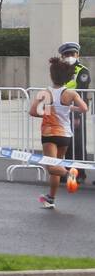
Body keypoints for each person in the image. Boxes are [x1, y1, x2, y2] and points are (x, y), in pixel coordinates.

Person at [29, 58, 89, 209]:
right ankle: (51, 198)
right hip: (65, 134)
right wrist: (70, 109)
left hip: (49, 133)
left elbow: (33, 111)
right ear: (67, 77)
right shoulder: (70, 93)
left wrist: (47, 114)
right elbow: (84, 108)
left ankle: (70, 174)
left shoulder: (45, 92)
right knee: (56, 165)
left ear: (52, 76)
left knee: (50, 167)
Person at [60, 42, 91, 185]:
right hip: (63, 111)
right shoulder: (61, 70)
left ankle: (79, 173)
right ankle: (66, 172)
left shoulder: (82, 71)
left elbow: (81, 94)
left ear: (77, 55)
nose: (69, 57)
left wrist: (77, 115)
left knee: (77, 143)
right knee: (65, 143)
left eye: (72, 54)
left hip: (76, 111)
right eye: (66, 55)